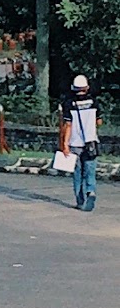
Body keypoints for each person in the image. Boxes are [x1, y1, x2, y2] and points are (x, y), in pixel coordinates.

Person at [60, 74, 101, 211]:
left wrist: (65, 144)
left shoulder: (69, 103)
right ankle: (91, 191)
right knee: (90, 171)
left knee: (78, 173)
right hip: (91, 142)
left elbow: (68, 125)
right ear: (87, 87)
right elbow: (99, 121)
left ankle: (80, 200)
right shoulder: (94, 102)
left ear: (74, 88)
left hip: (75, 142)